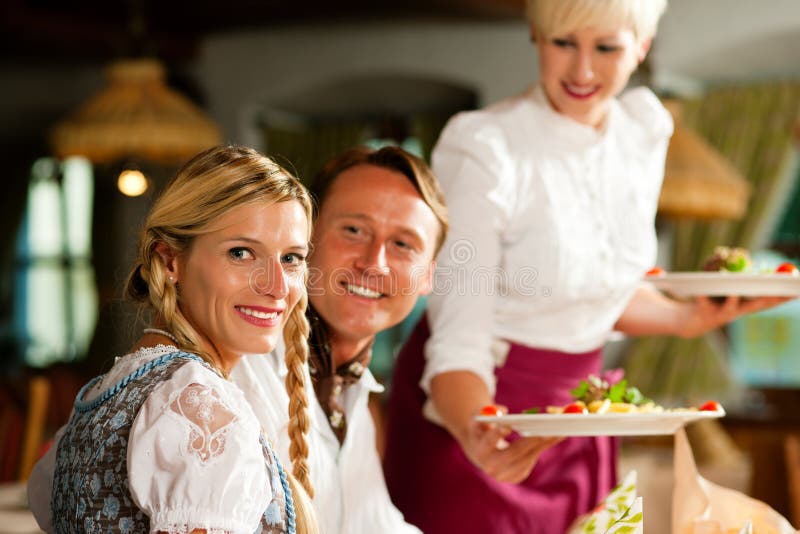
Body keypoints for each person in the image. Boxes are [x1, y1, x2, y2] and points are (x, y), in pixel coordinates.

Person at [382, 1, 790, 533]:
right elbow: (460, 330)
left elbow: (596, 292)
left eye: (606, 48)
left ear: (641, 47)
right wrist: (476, 432)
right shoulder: (485, 145)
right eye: (563, 43)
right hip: (470, 413)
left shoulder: (642, 133)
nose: (582, 71)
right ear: (535, 33)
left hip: (578, 419)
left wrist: (686, 319)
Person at [33, 145, 317, 533]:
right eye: (241, 253)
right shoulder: (198, 407)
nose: (277, 286)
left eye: (291, 258)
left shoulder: (108, 389)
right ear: (170, 262)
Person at [232, 146, 449, 534]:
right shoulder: (236, 378)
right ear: (304, 239)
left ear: (428, 276)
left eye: (403, 244)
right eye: (354, 230)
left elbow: (375, 527)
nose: (374, 262)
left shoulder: (353, 392)